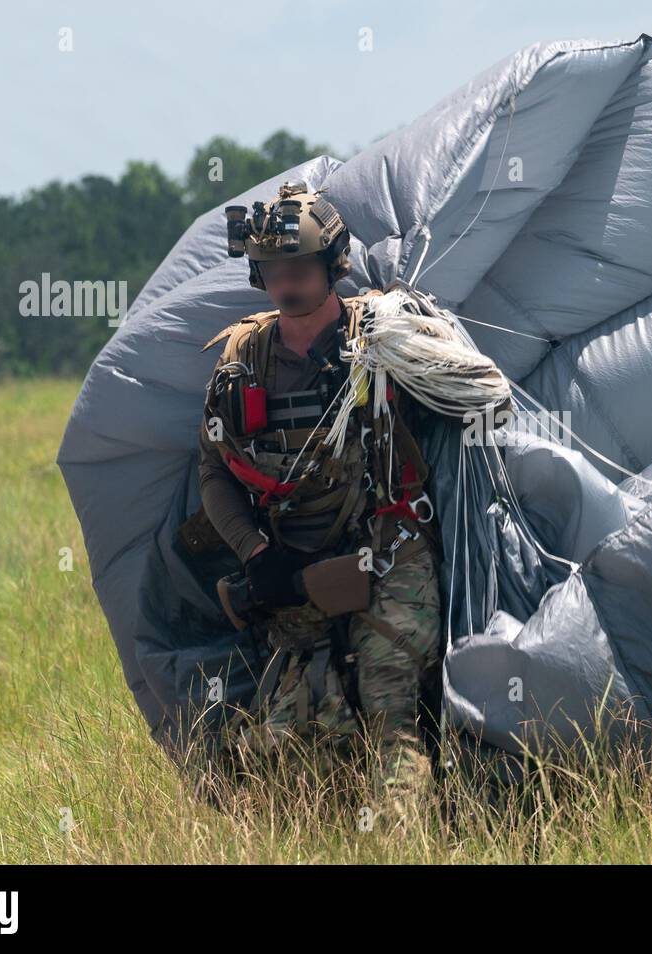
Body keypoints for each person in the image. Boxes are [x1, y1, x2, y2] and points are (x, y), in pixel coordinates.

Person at [196, 181, 442, 824]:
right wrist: (256, 554)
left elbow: (480, 400)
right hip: (295, 565)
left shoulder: (381, 339)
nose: (287, 284)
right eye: (274, 270)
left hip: (389, 549)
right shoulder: (243, 361)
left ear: (333, 266)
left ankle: (403, 837)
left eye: (300, 268)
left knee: (390, 706)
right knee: (293, 742)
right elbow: (215, 473)